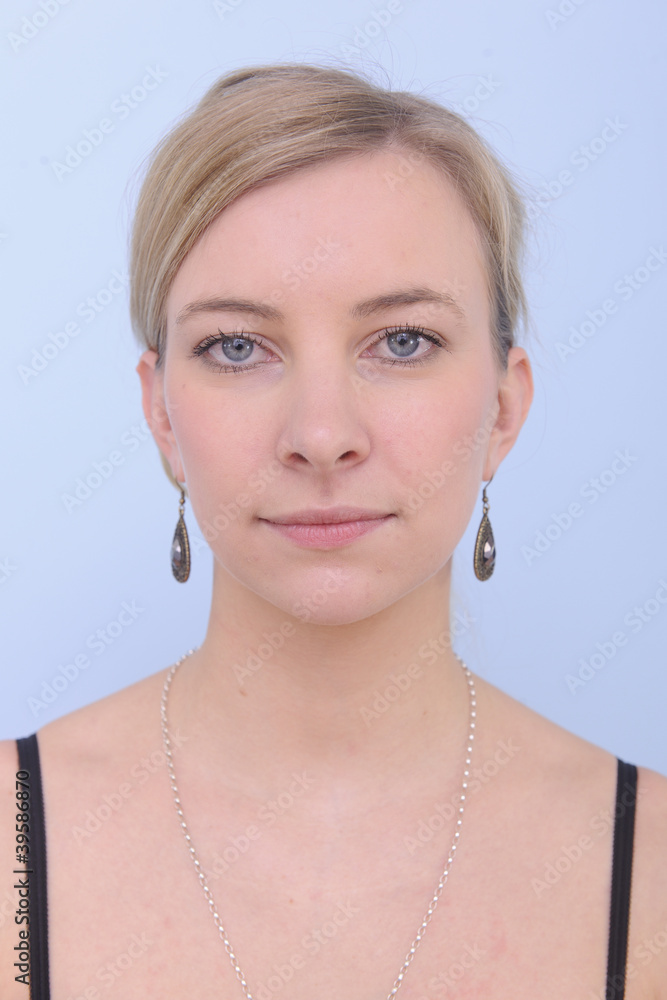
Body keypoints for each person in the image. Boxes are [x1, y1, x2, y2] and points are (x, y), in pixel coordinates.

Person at [2, 62, 666, 1000]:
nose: (321, 436)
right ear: (160, 414)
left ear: (505, 409)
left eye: (402, 342)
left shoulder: (649, 876)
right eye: (237, 347)